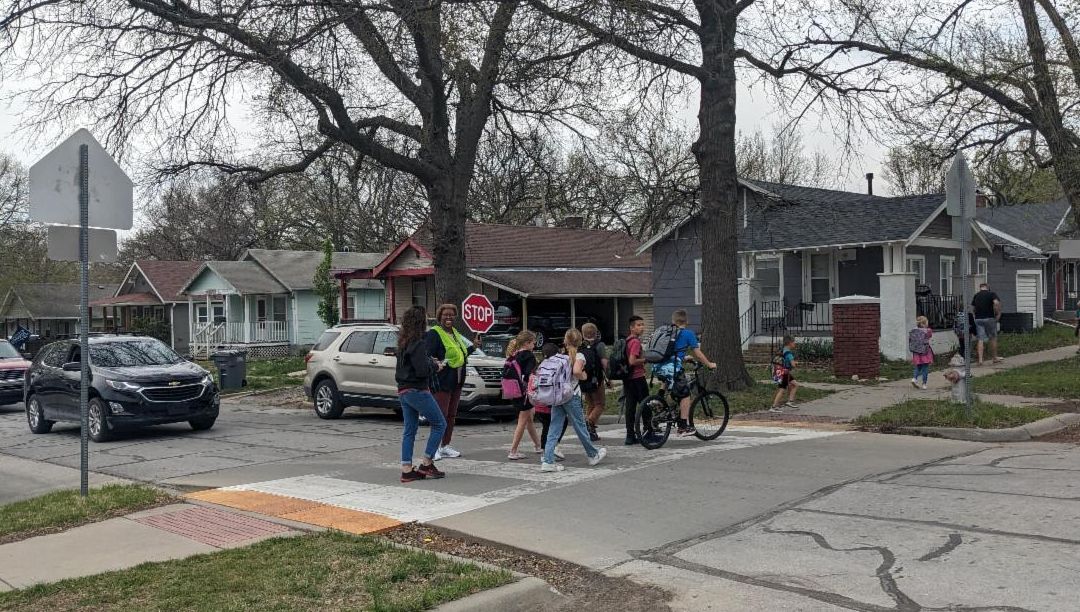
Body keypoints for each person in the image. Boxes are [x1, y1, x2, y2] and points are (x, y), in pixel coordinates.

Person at [540, 329, 607, 472]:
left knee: (554, 427)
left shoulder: (560, 356)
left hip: (558, 396)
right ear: (580, 341)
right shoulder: (580, 355)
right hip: (571, 395)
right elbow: (577, 371)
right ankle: (593, 454)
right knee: (580, 426)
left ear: (565, 341)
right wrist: (583, 376)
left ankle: (548, 459)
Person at [395, 306, 447, 483]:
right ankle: (426, 463)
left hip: (403, 390)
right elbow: (422, 370)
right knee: (440, 423)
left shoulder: (403, 342)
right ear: (420, 322)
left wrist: (428, 361)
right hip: (417, 389)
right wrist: (435, 366)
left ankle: (407, 469)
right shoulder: (417, 343)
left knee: (409, 430)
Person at [424, 304, 479, 460]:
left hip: (457, 381)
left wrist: (473, 347)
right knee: (440, 415)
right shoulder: (434, 334)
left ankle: (445, 446)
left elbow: (459, 356)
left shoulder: (455, 333)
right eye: (445, 315)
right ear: (439, 316)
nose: (448, 318)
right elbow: (428, 356)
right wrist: (436, 365)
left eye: (451, 315)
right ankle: (432, 449)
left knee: (451, 415)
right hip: (442, 381)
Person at [654, 309, 717, 436]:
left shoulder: (666, 331)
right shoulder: (688, 334)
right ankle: (683, 427)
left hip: (658, 366)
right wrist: (710, 364)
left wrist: (684, 358)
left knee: (670, 379)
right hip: (672, 368)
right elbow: (698, 354)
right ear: (686, 321)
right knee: (685, 395)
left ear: (673, 321)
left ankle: (659, 399)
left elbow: (671, 352)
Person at [505, 330, 542, 460]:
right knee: (522, 420)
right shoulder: (529, 356)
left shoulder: (513, 354)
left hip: (514, 391)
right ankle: (513, 450)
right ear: (527, 343)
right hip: (525, 392)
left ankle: (538, 446)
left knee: (529, 419)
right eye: (533, 343)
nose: (534, 345)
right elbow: (528, 374)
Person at [532, 343, 567, 460]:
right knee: (557, 424)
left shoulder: (540, 365)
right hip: (550, 403)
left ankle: (544, 449)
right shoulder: (555, 366)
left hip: (539, 404)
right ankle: (551, 447)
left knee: (546, 427)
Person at [579, 322, 609, 442]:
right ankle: (588, 424)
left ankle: (590, 432)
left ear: (583, 333)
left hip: (584, 379)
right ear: (596, 333)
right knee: (600, 404)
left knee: (590, 404)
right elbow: (604, 363)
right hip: (596, 379)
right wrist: (608, 377)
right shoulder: (599, 345)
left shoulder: (580, 346)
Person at [623, 315, 649, 445]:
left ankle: (630, 435)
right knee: (645, 404)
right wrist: (646, 359)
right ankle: (649, 431)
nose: (642, 327)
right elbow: (632, 361)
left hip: (627, 378)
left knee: (631, 407)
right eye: (638, 325)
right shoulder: (635, 342)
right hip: (637, 377)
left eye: (642, 324)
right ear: (631, 327)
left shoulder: (627, 340)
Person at [971, 283, 1003, 366]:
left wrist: (975, 317)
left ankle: (980, 360)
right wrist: (998, 313)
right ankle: (995, 358)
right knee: (993, 338)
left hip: (978, 319)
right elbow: (996, 303)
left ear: (980, 288)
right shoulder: (991, 294)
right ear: (988, 288)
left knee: (980, 339)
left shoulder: (976, 295)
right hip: (989, 318)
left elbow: (974, 309)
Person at [770, 335, 798, 412]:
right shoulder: (788, 353)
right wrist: (795, 363)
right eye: (793, 342)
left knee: (795, 384)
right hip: (784, 373)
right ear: (790, 343)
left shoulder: (782, 350)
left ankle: (790, 401)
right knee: (782, 390)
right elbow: (793, 365)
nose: (795, 343)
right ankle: (774, 407)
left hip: (780, 371)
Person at [909, 315, 934, 390]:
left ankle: (914, 378)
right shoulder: (928, 330)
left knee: (917, 366)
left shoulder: (913, 330)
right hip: (925, 352)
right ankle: (924, 384)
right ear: (924, 323)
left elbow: (910, 339)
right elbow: (929, 336)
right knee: (925, 368)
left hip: (916, 352)